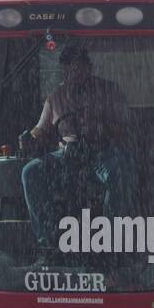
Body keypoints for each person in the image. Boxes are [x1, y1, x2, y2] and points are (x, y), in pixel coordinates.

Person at [21, 45, 132, 249]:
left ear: (89, 68)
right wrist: (30, 138)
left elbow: (125, 129)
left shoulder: (108, 91)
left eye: (79, 69)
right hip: (67, 156)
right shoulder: (56, 97)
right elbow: (40, 129)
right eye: (69, 70)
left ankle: (113, 240)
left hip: (102, 153)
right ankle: (48, 242)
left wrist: (100, 123)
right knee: (30, 172)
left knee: (120, 172)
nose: (74, 74)